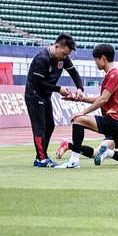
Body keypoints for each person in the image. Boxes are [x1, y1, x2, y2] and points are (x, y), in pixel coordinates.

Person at [25, 34, 84, 167]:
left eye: (66, 55)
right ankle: (42, 159)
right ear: (56, 46)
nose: (64, 57)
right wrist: (59, 89)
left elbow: (74, 72)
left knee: (50, 125)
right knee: (40, 127)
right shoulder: (42, 58)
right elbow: (39, 83)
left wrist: (80, 88)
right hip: (34, 95)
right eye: (63, 54)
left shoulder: (63, 58)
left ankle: (41, 156)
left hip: (46, 96)